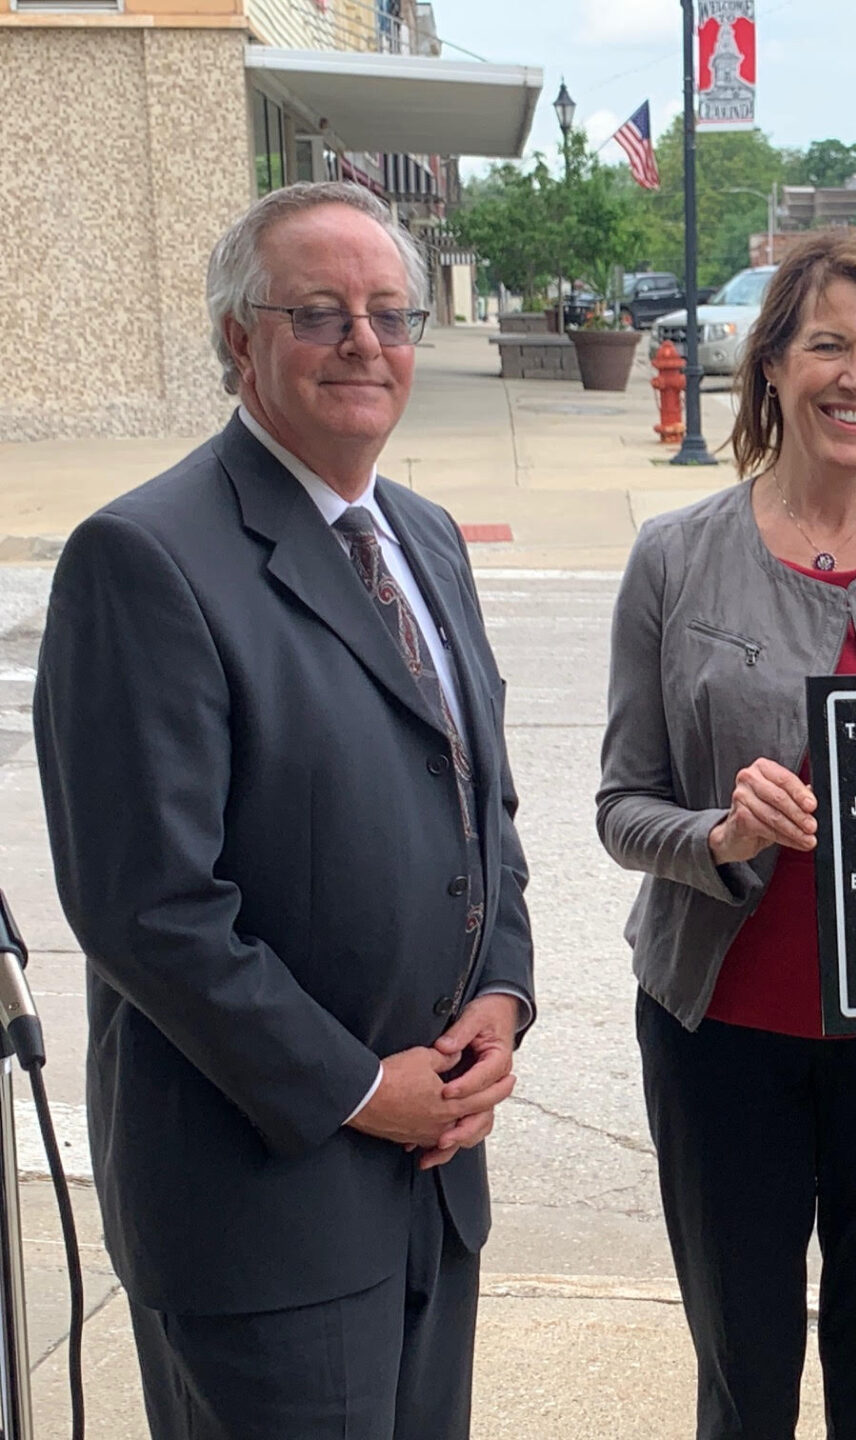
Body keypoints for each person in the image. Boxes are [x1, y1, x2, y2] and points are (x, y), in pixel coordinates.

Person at [33, 182, 534, 1437]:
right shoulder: (144, 556)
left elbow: (482, 808)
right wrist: (361, 1089)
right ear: (237, 340)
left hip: (432, 1182)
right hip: (259, 1211)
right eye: (318, 313)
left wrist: (501, 997)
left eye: (390, 313)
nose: (364, 342)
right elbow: (148, 908)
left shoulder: (425, 537)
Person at [596, 228, 856, 1440]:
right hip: (721, 1031)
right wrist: (721, 833)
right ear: (772, 362)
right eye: (830, 344)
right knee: (745, 1374)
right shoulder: (675, 558)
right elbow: (622, 804)